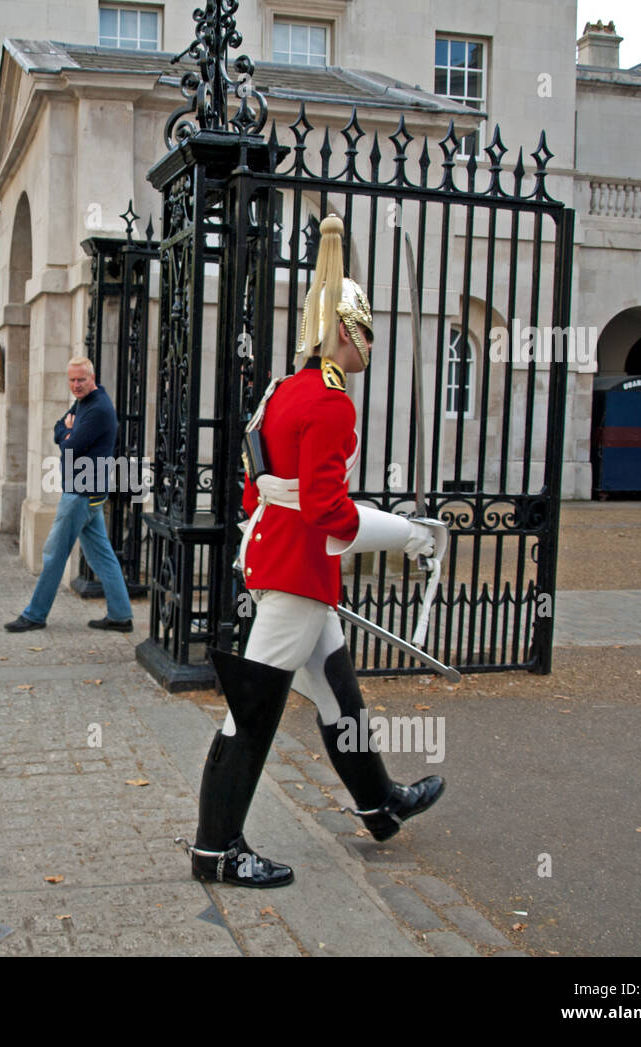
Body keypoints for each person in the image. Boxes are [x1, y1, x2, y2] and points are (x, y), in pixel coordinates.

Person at [182, 216, 447, 889]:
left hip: (282, 557)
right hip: (300, 570)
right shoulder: (331, 404)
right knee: (251, 709)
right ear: (343, 329)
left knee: (338, 690)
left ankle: (378, 803)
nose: (368, 346)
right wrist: (410, 532)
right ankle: (216, 848)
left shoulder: (279, 390)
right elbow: (333, 516)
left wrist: (281, 504)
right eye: (365, 332)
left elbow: (253, 489)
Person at [4, 357, 133, 633]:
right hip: (87, 489)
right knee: (102, 555)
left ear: (92, 377)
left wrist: (68, 433)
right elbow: (58, 429)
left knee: (54, 552)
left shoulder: (98, 407)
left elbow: (71, 446)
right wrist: (67, 430)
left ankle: (35, 615)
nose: (76, 385)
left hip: (82, 492)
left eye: (81, 380)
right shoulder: (84, 402)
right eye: (72, 380)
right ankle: (121, 616)